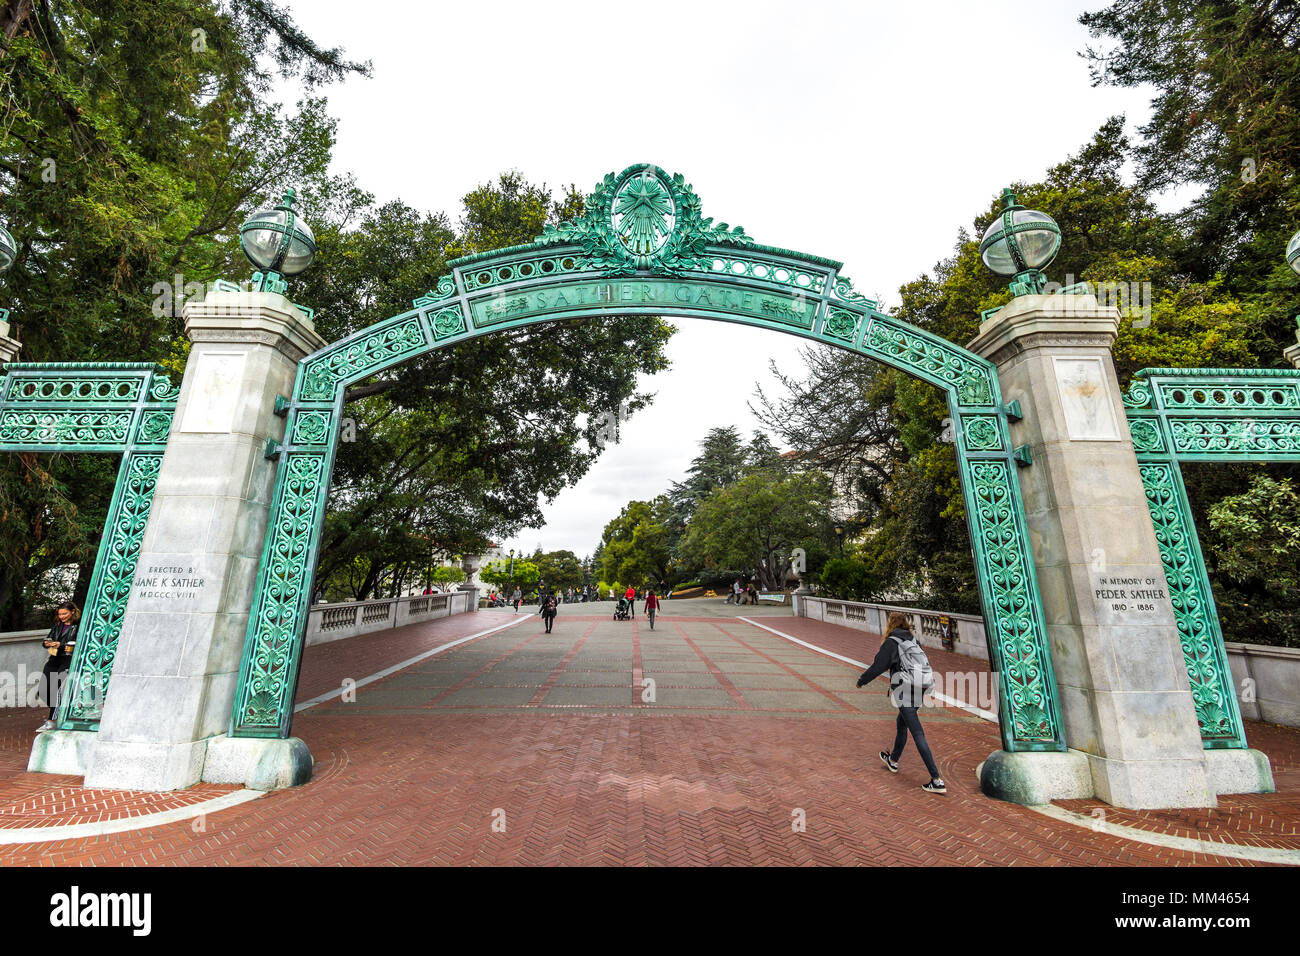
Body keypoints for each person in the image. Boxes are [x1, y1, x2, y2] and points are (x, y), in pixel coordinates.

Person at [855, 612, 945, 794]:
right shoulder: (913, 640)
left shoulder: (891, 643)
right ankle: (893, 760)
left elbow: (878, 666)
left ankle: (936, 780)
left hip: (904, 691)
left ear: (891, 625)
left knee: (917, 732)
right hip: (920, 689)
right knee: (901, 722)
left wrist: (862, 681)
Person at [37, 601, 80, 732]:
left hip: (67, 659)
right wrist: (47, 643)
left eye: (64, 613)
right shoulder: (57, 625)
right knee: (44, 690)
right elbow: (48, 639)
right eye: (60, 614)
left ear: (72, 611)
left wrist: (60, 645)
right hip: (54, 658)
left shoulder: (78, 626)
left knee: (57, 689)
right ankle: (60, 711)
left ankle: (51, 721)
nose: (62, 616)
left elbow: (77, 643)